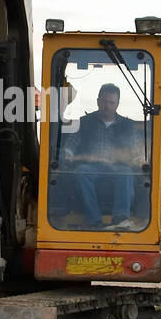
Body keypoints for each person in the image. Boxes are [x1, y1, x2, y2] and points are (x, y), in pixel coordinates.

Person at [63, 83, 141, 229]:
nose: (107, 106)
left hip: (118, 167)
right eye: (105, 102)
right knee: (80, 172)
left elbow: (137, 151)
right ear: (98, 101)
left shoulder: (128, 126)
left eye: (112, 103)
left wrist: (140, 160)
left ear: (117, 104)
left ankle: (120, 218)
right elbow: (70, 146)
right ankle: (94, 221)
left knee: (127, 173)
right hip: (91, 167)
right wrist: (67, 156)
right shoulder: (84, 123)